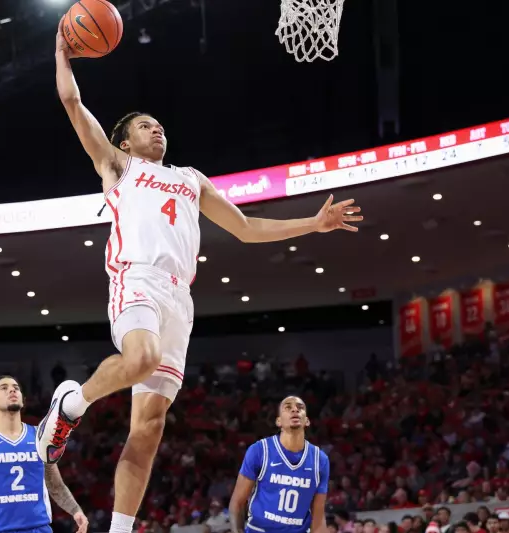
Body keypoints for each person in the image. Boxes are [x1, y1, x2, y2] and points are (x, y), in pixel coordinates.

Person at [36, 17, 362, 533]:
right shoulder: (118, 167)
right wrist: (63, 54)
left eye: (159, 124)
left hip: (178, 299)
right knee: (138, 358)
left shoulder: (191, 179)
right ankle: (69, 404)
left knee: (149, 426)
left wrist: (314, 224)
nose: (156, 129)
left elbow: (248, 227)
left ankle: (120, 529)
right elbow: (73, 104)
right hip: (136, 276)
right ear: (124, 140)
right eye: (145, 125)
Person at [0, 376, 88, 533]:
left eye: (16, 387)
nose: (12, 389)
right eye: (4, 388)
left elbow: (55, 485)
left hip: (39, 529)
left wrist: (76, 510)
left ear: (23, 400)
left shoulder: (40, 436)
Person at [228, 396, 329, 533]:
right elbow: (237, 502)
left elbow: (318, 517)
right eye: (288, 407)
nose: (295, 409)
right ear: (279, 421)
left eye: (300, 408)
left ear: (307, 421)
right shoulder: (260, 450)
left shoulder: (320, 460)